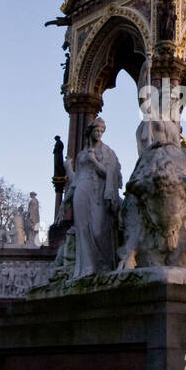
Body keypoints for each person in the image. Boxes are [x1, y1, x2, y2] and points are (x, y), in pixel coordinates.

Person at [64, 118, 122, 276]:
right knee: (83, 230)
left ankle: (104, 267)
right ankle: (88, 269)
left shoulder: (107, 151)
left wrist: (94, 161)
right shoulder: (82, 155)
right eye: (97, 130)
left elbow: (109, 174)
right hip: (82, 192)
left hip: (98, 191)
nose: (99, 134)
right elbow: (76, 181)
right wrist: (65, 202)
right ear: (90, 131)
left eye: (102, 131)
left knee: (98, 230)